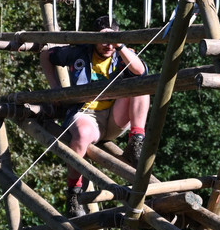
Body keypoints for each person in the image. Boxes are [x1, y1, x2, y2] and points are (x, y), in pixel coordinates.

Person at [40, 16, 149, 217]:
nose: (108, 45)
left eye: (112, 39)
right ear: (93, 38)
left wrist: (120, 45)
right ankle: (74, 192)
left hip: (115, 117)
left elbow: (140, 71)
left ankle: (136, 141)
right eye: (103, 40)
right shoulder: (78, 52)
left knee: (141, 86)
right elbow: (46, 54)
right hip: (86, 114)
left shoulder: (122, 53)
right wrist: (55, 89)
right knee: (81, 136)